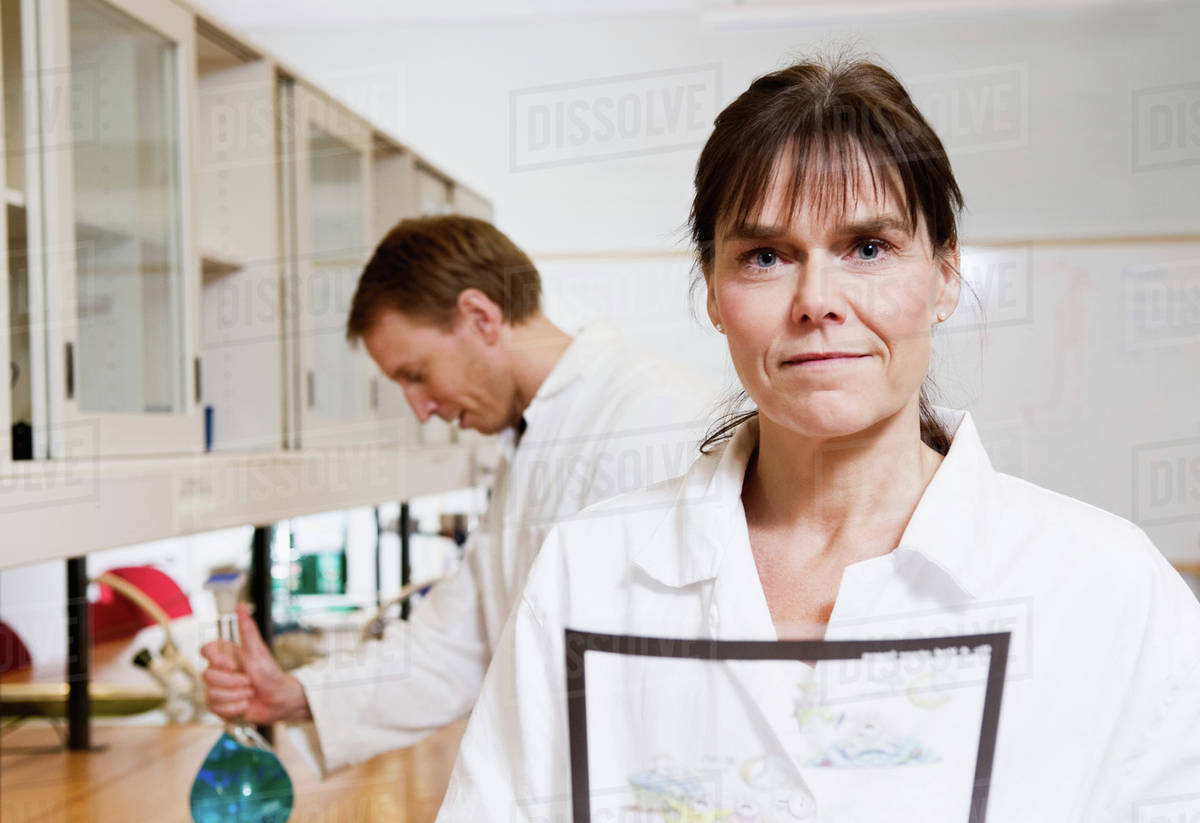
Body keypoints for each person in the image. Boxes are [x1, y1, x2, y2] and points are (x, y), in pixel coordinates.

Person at [435, 57, 1200, 822]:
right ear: (713, 292)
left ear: (944, 277)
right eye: (765, 257)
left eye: (869, 247)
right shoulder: (587, 572)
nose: (817, 302)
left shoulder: (1104, 588)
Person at [199, 215, 714, 773]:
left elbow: (671, 684)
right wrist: (291, 695)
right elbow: (455, 644)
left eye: (416, 374)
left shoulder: (653, 420)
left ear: (480, 317)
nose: (420, 409)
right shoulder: (533, 442)